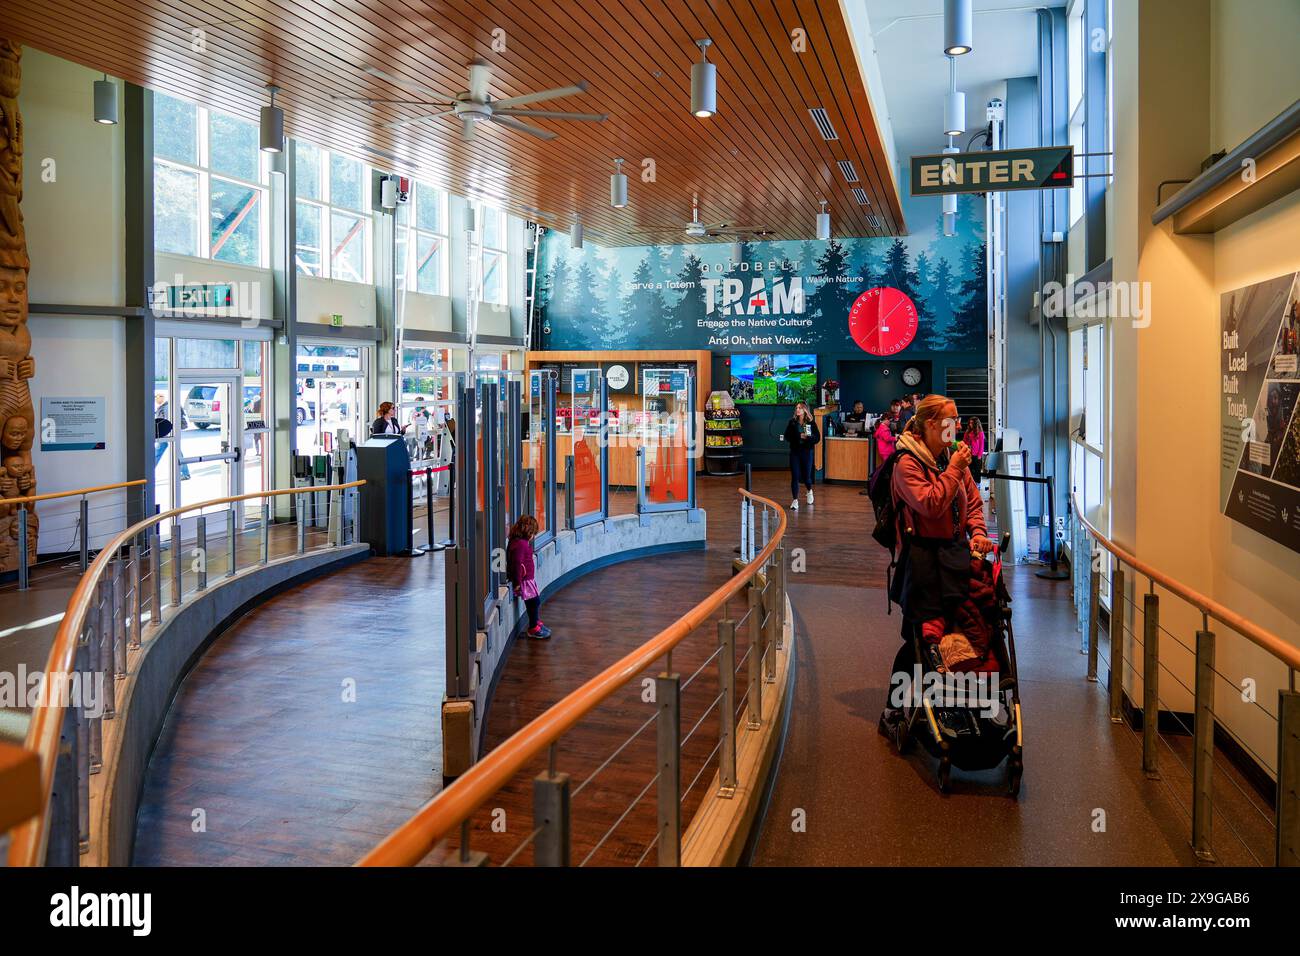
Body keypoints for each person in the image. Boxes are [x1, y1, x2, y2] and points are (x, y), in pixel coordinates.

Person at [888, 394, 994, 630]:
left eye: (958, 419)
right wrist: (956, 468)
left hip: (955, 554)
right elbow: (931, 506)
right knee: (929, 633)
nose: (958, 425)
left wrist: (977, 532)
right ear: (932, 424)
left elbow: (974, 503)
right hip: (923, 563)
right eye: (952, 419)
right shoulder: (907, 463)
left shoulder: (949, 458)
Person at [507, 514, 550, 639]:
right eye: (533, 533)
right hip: (524, 580)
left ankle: (535, 621)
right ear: (528, 531)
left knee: (533, 602)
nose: (533, 537)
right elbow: (516, 563)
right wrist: (517, 583)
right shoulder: (521, 544)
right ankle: (533, 627)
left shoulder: (518, 542)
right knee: (534, 602)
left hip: (526, 579)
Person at [784, 401, 820, 510]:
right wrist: (799, 436)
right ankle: (795, 500)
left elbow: (817, 438)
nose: (797, 409)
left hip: (807, 452)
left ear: (805, 410)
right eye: (796, 408)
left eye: (800, 408)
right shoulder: (792, 422)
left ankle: (809, 491)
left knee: (806, 478)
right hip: (795, 452)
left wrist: (808, 437)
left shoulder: (811, 423)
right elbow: (787, 436)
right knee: (795, 476)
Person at [963, 416, 986, 484]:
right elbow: (964, 441)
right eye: (970, 423)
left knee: (977, 471)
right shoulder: (967, 432)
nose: (970, 424)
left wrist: (979, 455)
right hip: (968, 453)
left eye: (972, 423)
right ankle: (969, 484)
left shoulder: (980, 433)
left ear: (976, 424)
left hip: (976, 455)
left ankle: (977, 485)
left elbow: (981, 445)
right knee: (969, 470)